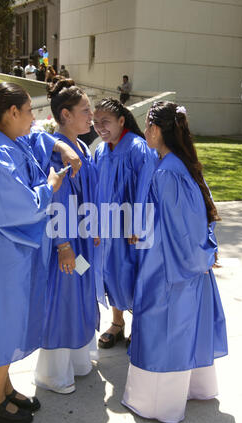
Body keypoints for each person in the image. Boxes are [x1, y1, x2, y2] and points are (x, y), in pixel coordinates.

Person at [0, 82, 82, 423]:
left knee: (11, 317)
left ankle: (5, 387)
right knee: (1, 319)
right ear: (11, 113)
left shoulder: (9, 141)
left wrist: (62, 147)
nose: (33, 118)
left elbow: (37, 137)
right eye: (28, 111)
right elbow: (19, 208)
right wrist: (50, 186)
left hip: (9, 252)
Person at [122, 101, 228, 423]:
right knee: (186, 329)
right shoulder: (180, 165)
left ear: (156, 131)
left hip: (170, 269)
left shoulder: (168, 172)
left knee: (163, 330)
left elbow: (181, 232)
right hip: (184, 264)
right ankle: (192, 388)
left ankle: (159, 405)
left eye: (148, 127)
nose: (145, 132)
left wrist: (202, 256)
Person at [33, 79, 100, 394]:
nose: (91, 116)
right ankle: (53, 373)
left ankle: (78, 360)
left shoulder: (82, 147)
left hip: (83, 241)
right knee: (62, 300)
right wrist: (63, 246)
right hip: (66, 244)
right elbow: (56, 203)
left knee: (81, 295)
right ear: (65, 114)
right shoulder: (57, 154)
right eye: (85, 110)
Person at [93, 98, 158, 349]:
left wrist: (139, 225)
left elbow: (146, 188)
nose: (100, 127)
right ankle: (117, 323)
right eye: (96, 122)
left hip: (130, 230)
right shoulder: (100, 149)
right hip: (107, 228)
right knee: (110, 273)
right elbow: (96, 191)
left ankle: (138, 325)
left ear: (121, 121)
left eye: (105, 122)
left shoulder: (138, 148)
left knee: (133, 273)